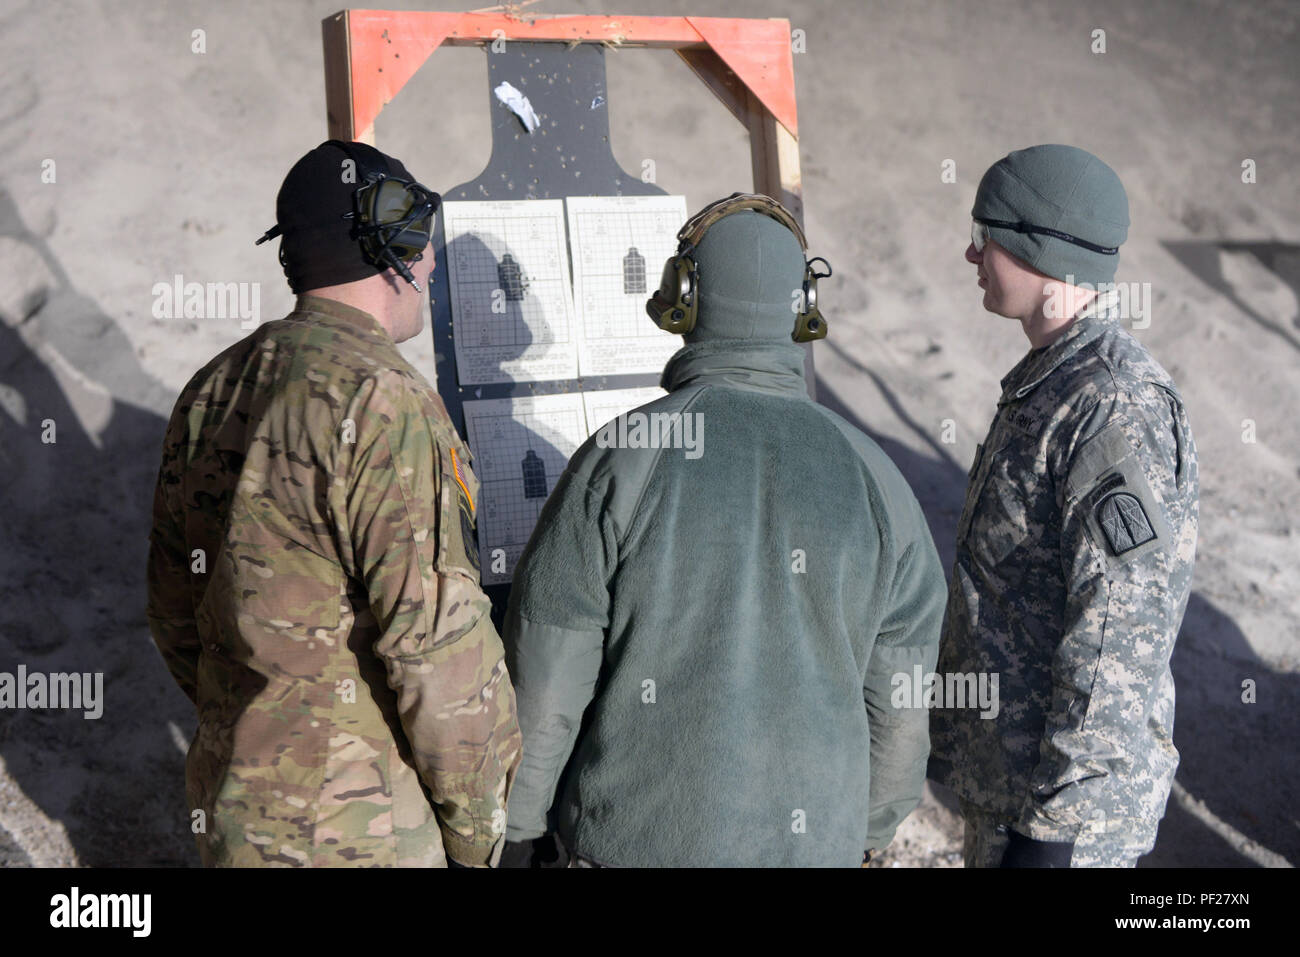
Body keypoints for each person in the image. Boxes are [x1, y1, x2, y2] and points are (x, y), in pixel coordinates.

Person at [499, 194, 946, 867]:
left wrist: (522, 826)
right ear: (802, 311)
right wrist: (866, 830)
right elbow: (902, 705)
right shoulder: (880, 480)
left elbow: (548, 676)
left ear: (685, 296)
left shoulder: (622, 456)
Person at [145, 140, 521, 867]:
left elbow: (172, 608)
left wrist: (249, 727)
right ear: (392, 243)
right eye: (425, 241)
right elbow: (440, 658)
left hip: (233, 815)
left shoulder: (212, 386)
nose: (434, 262)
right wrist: (479, 836)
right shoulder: (389, 403)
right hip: (361, 835)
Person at [928, 144, 1199, 867]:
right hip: (1015, 794)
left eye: (985, 236)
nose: (970, 252)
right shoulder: (1053, 384)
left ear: (1035, 247)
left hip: (1066, 826)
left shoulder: (1109, 404)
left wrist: (1054, 837)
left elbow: (1119, 632)